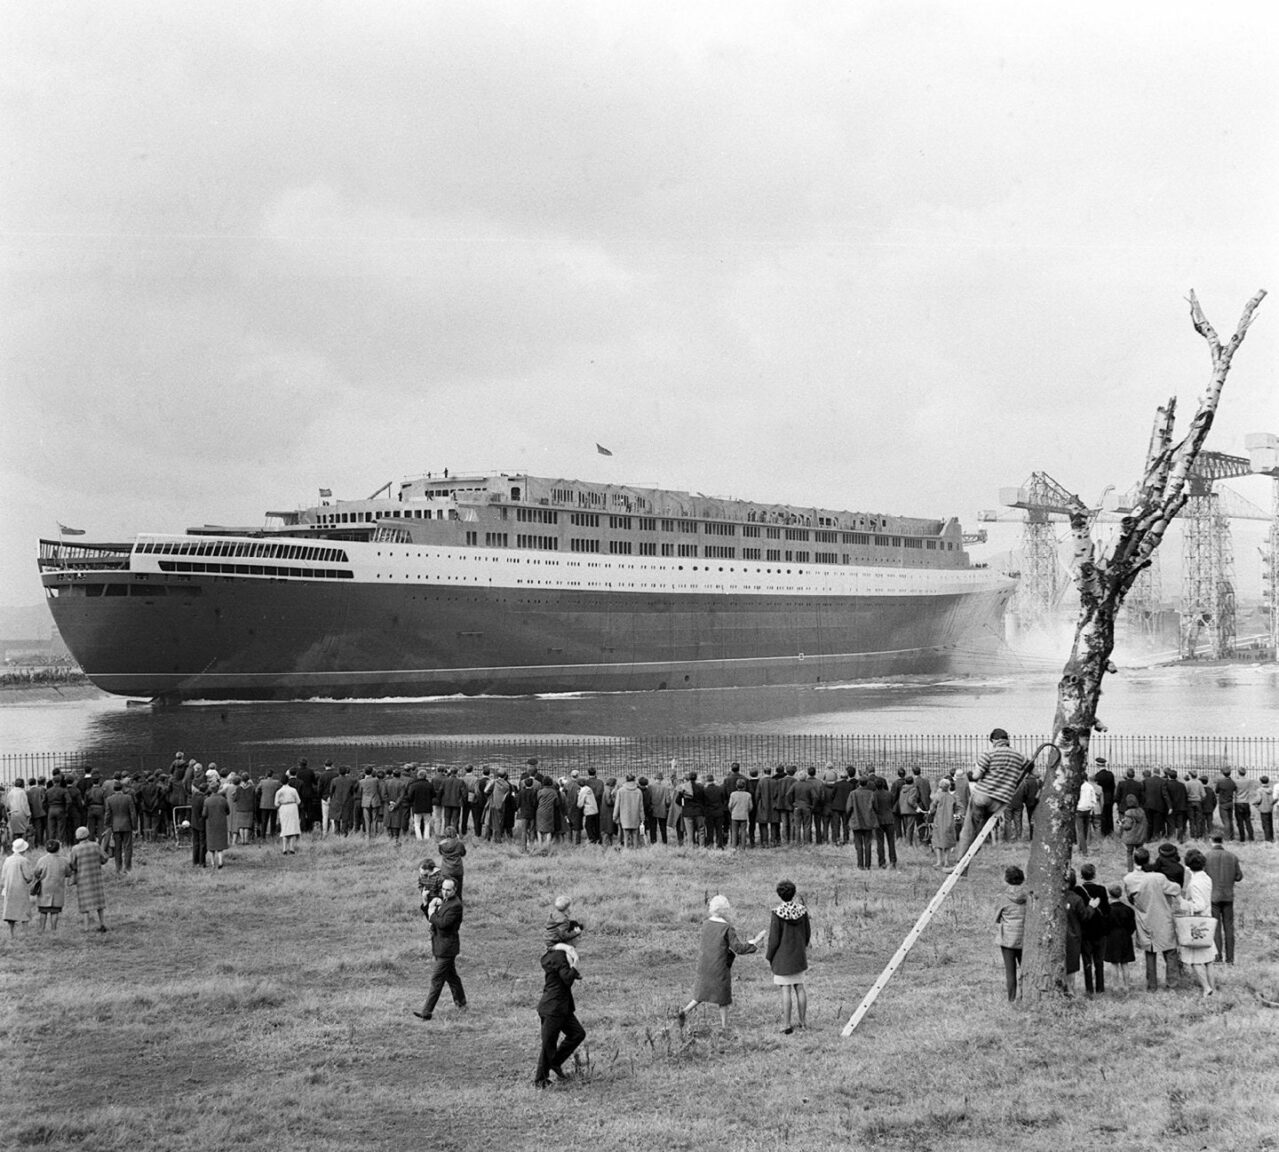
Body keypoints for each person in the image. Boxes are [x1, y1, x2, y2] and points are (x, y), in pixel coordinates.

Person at [678, 895, 765, 1030]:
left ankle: (685, 1011)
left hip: (704, 963)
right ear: (725, 910)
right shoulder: (727, 928)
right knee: (723, 996)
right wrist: (755, 942)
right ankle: (724, 1026)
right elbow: (738, 948)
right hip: (719, 965)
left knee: (702, 991)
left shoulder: (705, 924)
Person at [957, 729, 1030, 860]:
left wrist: (971, 774)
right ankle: (972, 853)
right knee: (981, 829)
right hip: (999, 801)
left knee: (968, 829)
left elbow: (976, 775)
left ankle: (960, 861)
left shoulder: (989, 754)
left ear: (994, 740)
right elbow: (1035, 773)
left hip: (982, 795)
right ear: (1007, 740)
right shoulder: (1019, 756)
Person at [1123, 847, 1181, 991]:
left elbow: (1130, 899)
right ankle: (1172, 984)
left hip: (1144, 919)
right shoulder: (1158, 877)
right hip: (1162, 917)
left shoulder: (1128, 879)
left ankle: (1152, 985)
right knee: (1170, 951)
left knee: (1150, 951)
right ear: (1149, 860)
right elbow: (1175, 889)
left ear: (1134, 860)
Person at [534, 929, 586, 1087]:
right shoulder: (559, 956)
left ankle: (555, 1062)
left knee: (577, 1033)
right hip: (553, 1007)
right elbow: (567, 979)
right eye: (577, 936)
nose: (579, 939)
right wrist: (575, 965)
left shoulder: (558, 954)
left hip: (562, 1007)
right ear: (569, 939)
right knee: (548, 1044)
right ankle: (540, 1081)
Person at [414, 877, 466, 1020]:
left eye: (448, 890)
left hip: (446, 949)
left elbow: (443, 924)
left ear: (455, 890)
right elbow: (434, 919)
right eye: (443, 889)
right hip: (440, 946)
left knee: (437, 979)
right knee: (452, 977)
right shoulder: (445, 901)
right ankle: (461, 1003)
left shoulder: (455, 905)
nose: (444, 892)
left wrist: (432, 913)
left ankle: (426, 1012)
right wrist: (426, 904)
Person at [765, 880, 810, 1034]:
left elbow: (774, 939)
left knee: (786, 989)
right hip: (798, 956)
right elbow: (807, 934)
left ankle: (787, 1025)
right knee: (800, 987)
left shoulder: (777, 913)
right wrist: (802, 948)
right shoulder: (802, 911)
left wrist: (769, 956)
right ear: (794, 892)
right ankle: (803, 1023)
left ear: (779, 894)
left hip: (782, 958)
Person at [1177, 848, 1217, 997]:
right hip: (1207, 921)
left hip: (1196, 925)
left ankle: (1206, 988)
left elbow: (1199, 905)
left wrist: (1184, 903)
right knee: (1208, 959)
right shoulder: (1206, 878)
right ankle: (1212, 987)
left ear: (1188, 865)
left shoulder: (1194, 884)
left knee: (1195, 959)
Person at [1203, 835, 1243, 964]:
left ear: (1211, 841)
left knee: (1215, 927)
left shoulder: (1206, 856)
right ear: (1222, 841)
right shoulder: (1232, 856)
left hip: (1213, 896)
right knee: (1229, 927)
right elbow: (1239, 876)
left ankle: (1217, 957)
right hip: (1228, 896)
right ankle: (1230, 959)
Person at [1075, 863, 1110, 995]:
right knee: (1099, 962)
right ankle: (1100, 988)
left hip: (1085, 931)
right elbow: (1106, 910)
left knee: (1087, 962)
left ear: (1081, 875)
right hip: (1100, 931)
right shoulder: (1101, 889)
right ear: (1094, 875)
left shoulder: (1078, 890)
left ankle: (1089, 989)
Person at [994, 865, 1027, 1001]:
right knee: (1025, 969)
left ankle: (1011, 999)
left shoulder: (1003, 897)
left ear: (1007, 879)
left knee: (1010, 971)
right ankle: (1025, 995)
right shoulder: (1028, 896)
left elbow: (996, 917)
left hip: (1008, 938)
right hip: (1025, 937)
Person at [68, 826, 109, 932]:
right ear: (88, 834)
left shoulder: (75, 849)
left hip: (83, 878)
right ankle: (102, 924)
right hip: (96, 877)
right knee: (99, 901)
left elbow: (71, 864)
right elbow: (104, 858)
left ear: (77, 836)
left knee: (85, 903)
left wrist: (76, 868)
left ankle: (86, 927)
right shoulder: (95, 845)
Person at [32, 838, 71, 932]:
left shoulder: (42, 860)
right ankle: (53, 929)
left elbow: (36, 873)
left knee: (43, 910)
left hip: (44, 888)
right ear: (58, 849)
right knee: (55, 911)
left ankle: (41, 929)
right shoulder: (64, 860)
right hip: (58, 888)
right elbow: (68, 873)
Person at [1102, 883, 1136, 991]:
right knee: (1125, 963)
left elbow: (1105, 926)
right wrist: (1128, 933)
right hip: (1125, 937)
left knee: (1114, 963)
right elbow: (1132, 926)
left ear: (1109, 895)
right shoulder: (1128, 909)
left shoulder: (1107, 910)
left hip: (1112, 938)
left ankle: (1115, 986)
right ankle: (1127, 986)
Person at [1, 838, 35, 938]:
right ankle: (25, 933)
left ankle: (12, 934)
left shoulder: (7, 860)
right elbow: (28, 877)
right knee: (24, 910)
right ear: (24, 849)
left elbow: (3, 876)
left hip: (9, 888)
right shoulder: (24, 860)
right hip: (21, 888)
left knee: (10, 911)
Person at [104, 782, 136, 874]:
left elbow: (108, 814)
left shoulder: (109, 799)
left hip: (116, 826)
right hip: (127, 825)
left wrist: (107, 825)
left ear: (114, 789)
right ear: (122, 788)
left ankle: (118, 867)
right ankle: (128, 867)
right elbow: (133, 813)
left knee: (117, 848)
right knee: (128, 847)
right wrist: (134, 826)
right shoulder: (128, 798)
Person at [928, 778, 957, 868]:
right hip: (949, 821)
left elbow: (932, 809)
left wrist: (931, 812)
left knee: (937, 841)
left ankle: (939, 861)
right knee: (948, 841)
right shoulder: (952, 797)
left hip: (939, 821)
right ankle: (947, 861)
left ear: (940, 786)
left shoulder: (937, 796)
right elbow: (956, 808)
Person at [203, 785, 231, 870]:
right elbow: (228, 811)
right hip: (221, 823)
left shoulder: (207, 800)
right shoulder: (223, 800)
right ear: (218, 789)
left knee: (212, 844)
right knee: (220, 843)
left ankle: (212, 862)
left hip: (211, 824)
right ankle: (220, 861)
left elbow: (204, 814)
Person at [1118, 796, 1147, 872]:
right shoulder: (1141, 811)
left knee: (1129, 853)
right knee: (1140, 854)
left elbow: (1127, 826)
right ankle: (1141, 869)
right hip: (1140, 837)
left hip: (1131, 838)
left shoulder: (1128, 813)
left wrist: (1121, 824)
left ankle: (1130, 870)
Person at [275, 774, 302, 854]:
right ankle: (292, 848)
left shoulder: (279, 792)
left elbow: (276, 804)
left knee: (285, 827)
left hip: (283, 808)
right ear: (288, 781)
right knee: (292, 827)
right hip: (292, 808)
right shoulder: (293, 790)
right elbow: (298, 801)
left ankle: (284, 848)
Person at [437, 826, 466, 899]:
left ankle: (446, 902)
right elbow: (463, 853)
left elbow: (441, 853)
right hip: (457, 869)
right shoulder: (459, 843)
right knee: (458, 890)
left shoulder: (441, 844)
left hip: (446, 870)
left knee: (446, 889)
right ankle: (458, 902)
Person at [1075, 774, 1098, 857]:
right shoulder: (1090, 787)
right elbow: (1094, 799)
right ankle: (1082, 846)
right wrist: (1091, 807)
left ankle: (1084, 850)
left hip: (1079, 809)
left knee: (1080, 831)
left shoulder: (1078, 787)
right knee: (1085, 829)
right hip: (1087, 809)